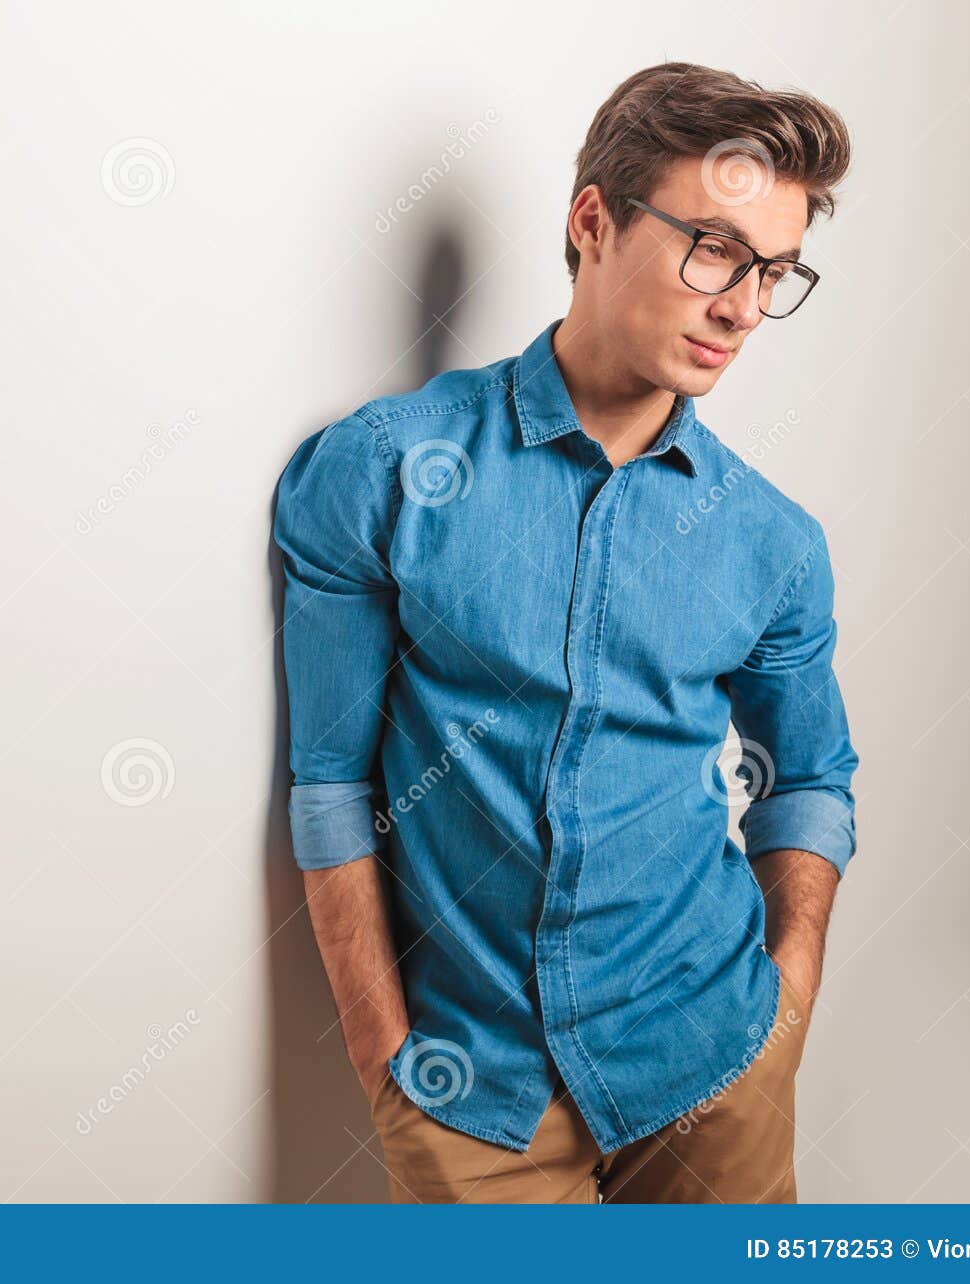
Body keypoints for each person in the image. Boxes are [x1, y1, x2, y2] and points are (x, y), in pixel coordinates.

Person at [272, 61, 860, 1203]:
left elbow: (810, 782)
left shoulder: (773, 541)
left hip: (711, 1066)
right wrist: (381, 1048)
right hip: (470, 1086)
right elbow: (329, 777)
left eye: (773, 272)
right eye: (714, 249)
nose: (742, 305)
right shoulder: (381, 469)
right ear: (593, 221)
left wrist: (784, 1003)